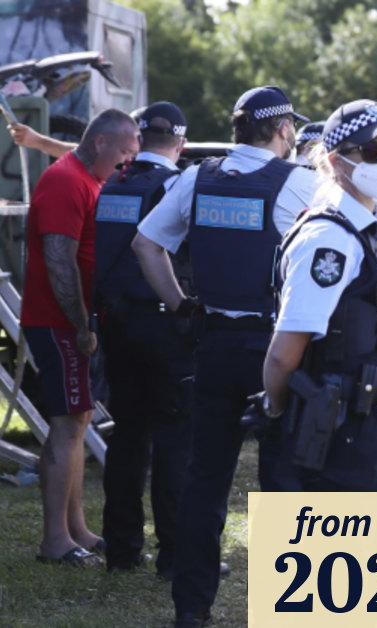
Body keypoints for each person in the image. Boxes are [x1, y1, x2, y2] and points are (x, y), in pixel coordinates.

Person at [131, 85, 317, 628]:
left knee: (205, 480)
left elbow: (147, 243)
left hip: (211, 344)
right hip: (274, 349)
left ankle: (191, 610)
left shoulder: (195, 177)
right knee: (283, 482)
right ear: (283, 130)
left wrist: (181, 306)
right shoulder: (299, 183)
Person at [262, 98, 377, 491]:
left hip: (374, 422)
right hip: (333, 428)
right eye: (373, 152)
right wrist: (283, 412)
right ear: (336, 161)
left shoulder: (375, 226)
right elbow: (285, 352)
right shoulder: (329, 238)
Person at [24, 109, 138, 567]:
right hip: (59, 322)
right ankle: (55, 541)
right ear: (100, 144)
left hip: (76, 321)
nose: (128, 163)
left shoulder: (88, 176)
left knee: (79, 420)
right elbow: (58, 259)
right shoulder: (65, 180)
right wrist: (81, 325)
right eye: (125, 153)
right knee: (68, 425)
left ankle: (77, 529)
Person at [94, 102, 194, 576]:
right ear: (181, 142)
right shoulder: (176, 185)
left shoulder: (113, 182)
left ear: (139, 138)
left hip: (116, 324)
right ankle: (174, 554)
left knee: (128, 436)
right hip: (163, 324)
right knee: (174, 438)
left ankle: (122, 549)